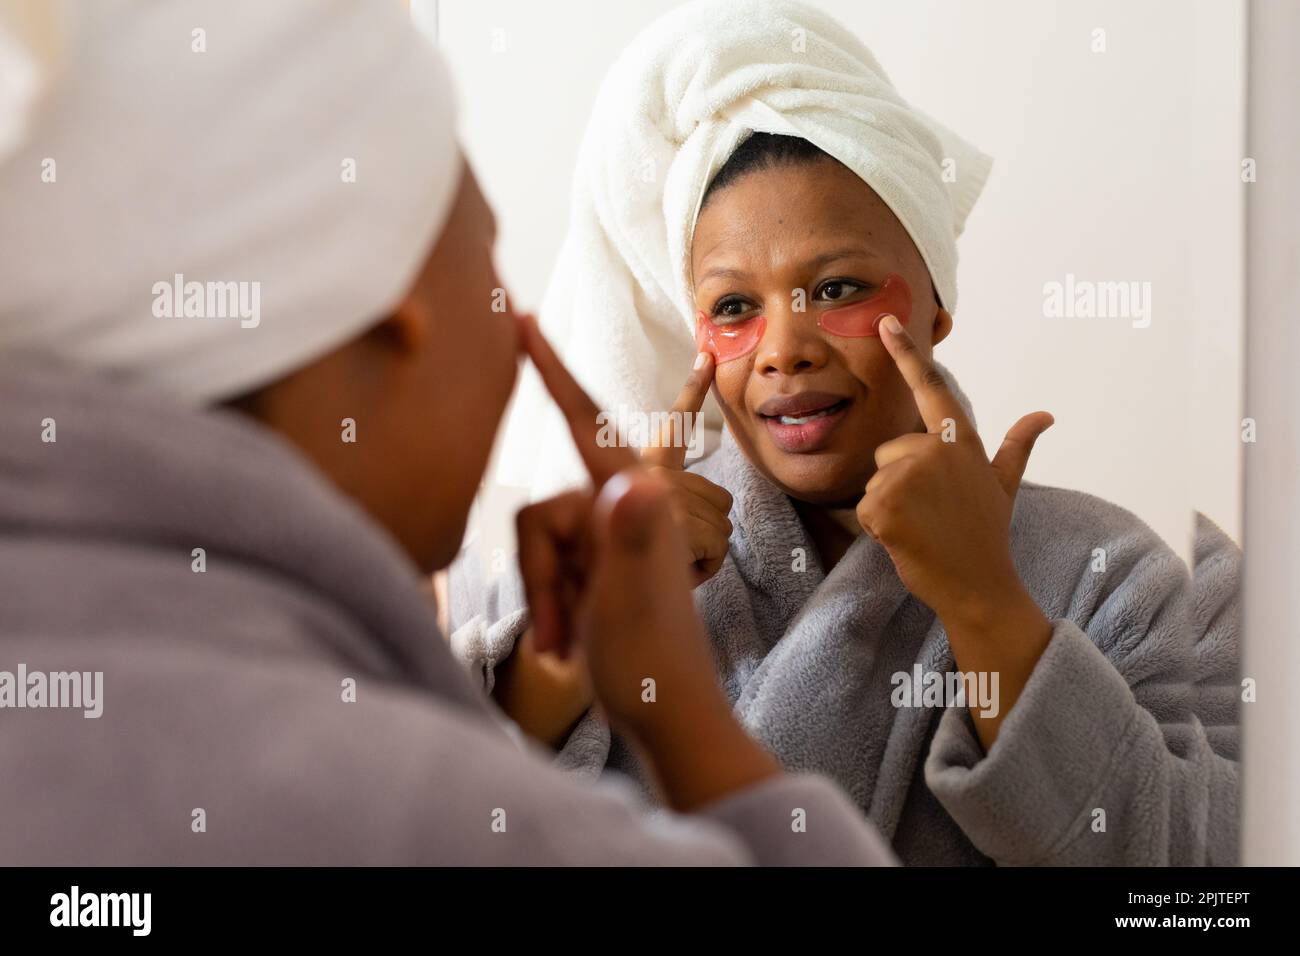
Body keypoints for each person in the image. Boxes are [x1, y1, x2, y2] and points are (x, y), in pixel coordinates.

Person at [0, 0, 894, 866]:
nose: (785, 348)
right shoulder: (426, 810)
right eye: (492, 266)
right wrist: (686, 721)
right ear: (400, 320)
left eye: (841, 288)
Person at [451, 0, 1241, 865]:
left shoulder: (1134, 577)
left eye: (835, 290)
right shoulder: (574, 573)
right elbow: (426, 827)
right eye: (734, 308)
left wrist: (987, 602)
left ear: (935, 304)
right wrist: (580, 646)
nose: (783, 350)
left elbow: (1207, 894)